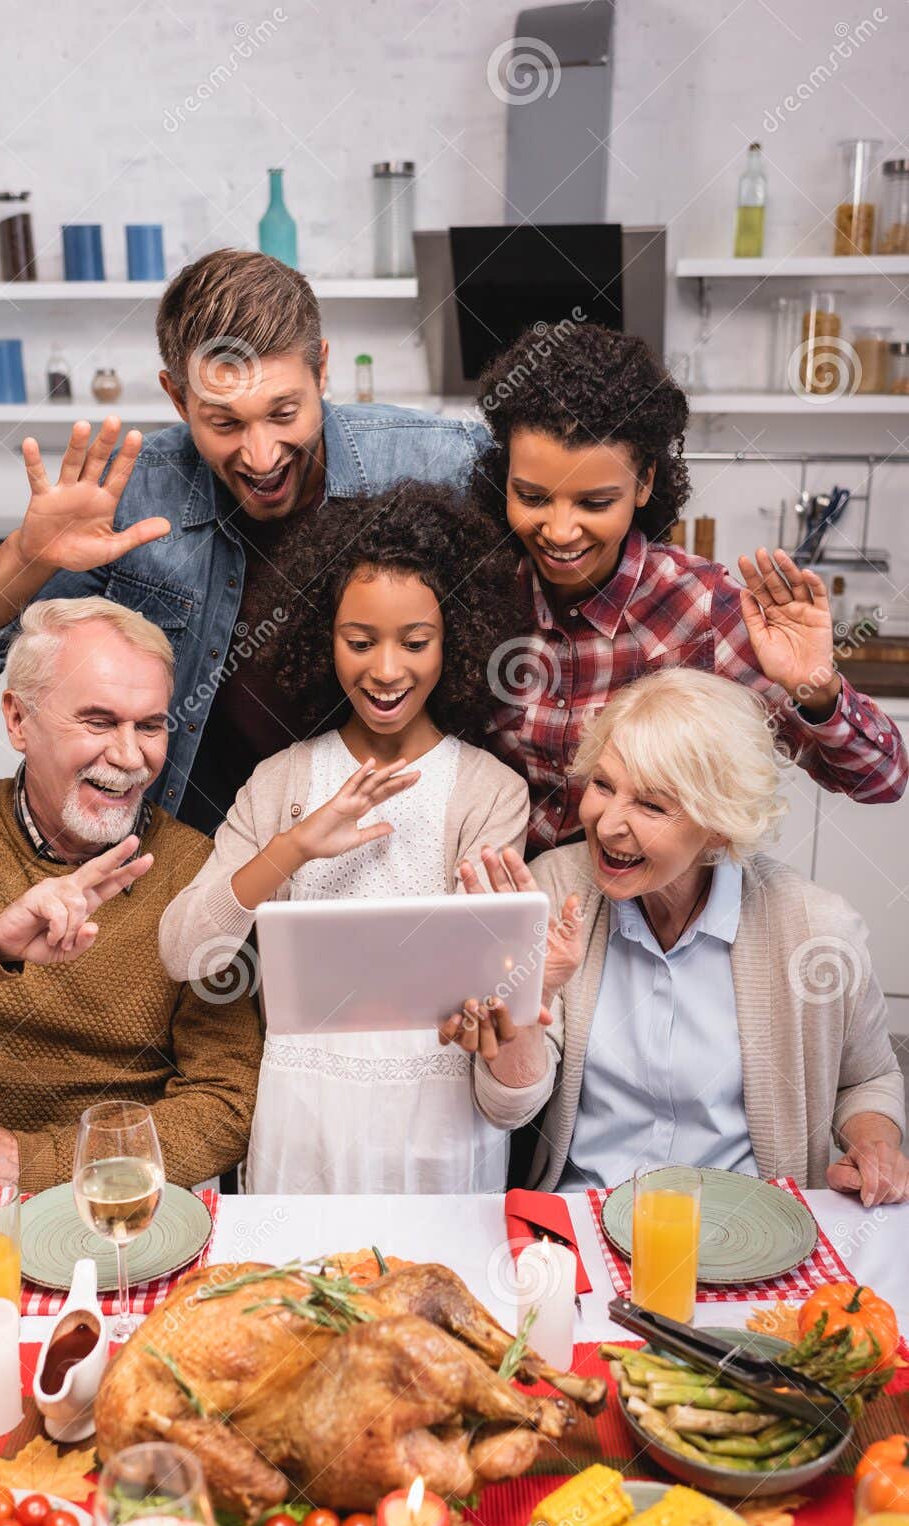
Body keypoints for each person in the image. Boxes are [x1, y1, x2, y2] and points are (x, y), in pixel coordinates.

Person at [0, 249, 487, 836]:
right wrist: (27, 556)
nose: (261, 456)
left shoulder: (440, 459)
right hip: (198, 846)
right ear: (177, 397)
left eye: (283, 413)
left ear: (321, 370)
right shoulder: (132, 491)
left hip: (402, 836)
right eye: (225, 423)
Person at [158, 482, 534, 1195]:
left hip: (439, 1119)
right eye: (359, 643)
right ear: (321, 637)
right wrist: (292, 847)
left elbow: (486, 979)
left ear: (455, 641)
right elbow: (183, 951)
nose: (386, 671)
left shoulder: (490, 792)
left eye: (415, 643)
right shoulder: (281, 781)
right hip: (303, 1118)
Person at [0, 598, 260, 1193]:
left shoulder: (198, 872)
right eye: (98, 722)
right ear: (18, 720)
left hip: (116, 1210)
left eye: (149, 726)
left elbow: (229, 1103)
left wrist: (36, 1162)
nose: (130, 757)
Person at [445, 668, 908, 1206]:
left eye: (652, 805)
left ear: (719, 826)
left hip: (751, 1226)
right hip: (585, 1215)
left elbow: (867, 1078)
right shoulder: (554, 890)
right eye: (603, 785)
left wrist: (874, 1146)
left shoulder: (817, 929)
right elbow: (508, 1109)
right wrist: (531, 1000)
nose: (607, 824)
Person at [471, 322, 907, 852]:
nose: (560, 531)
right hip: (506, 889)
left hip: (640, 892)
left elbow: (881, 781)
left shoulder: (701, 609)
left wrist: (816, 689)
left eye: (595, 503)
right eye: (533, 497)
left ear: (644, 483)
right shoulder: (477, 588)